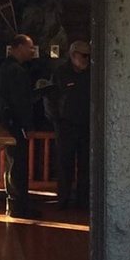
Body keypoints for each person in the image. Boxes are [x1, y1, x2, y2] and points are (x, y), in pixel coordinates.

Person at [0, 33, 40, 218]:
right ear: (19, 47)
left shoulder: (5, 68)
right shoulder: (16, 71)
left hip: (6, 122)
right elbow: (21, 102)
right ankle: (19, 207)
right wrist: (28, 126)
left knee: (12, 164)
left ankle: (14, 204)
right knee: (18, 165)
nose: (32, 51)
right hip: (16, 124)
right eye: (30, 47)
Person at [48, 40, 91, 211]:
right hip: (65, 126)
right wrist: (56, 119)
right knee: (64, 164)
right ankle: (63, 200)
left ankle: (84, 201)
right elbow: (50, 97)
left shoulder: (92, 73)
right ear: (73, 55)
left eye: (89, 55)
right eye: (84, 55)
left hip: (87, 126)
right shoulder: (60, 72)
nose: (87, 59)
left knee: (86, 164)